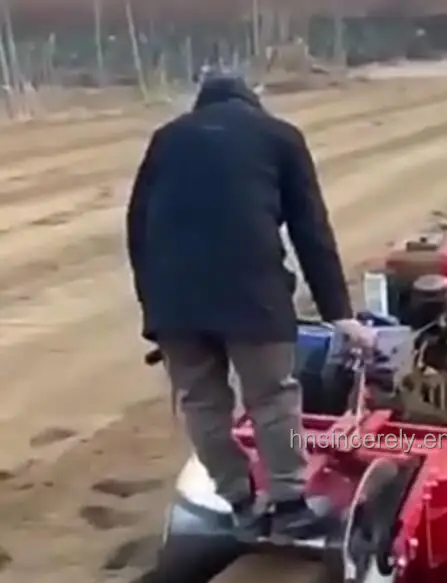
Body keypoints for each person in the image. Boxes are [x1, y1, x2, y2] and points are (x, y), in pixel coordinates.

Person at [126, 72, 374, 543]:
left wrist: (154, 314)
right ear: (252, 102)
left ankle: (239, 503)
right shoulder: (280, 137)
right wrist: (339, 313)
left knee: (202, 402)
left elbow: (138, 228)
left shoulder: (166, 139)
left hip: (174, 302)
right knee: (273, 396)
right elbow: (310, 230)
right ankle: (288, 506)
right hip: (253, 295)